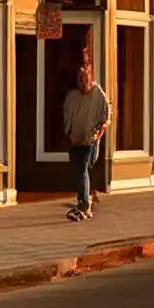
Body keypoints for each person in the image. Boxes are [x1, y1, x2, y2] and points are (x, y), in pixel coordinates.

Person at [63, 65, 112, 221]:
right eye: (80, 79)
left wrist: (99, 131)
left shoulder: (98, 94)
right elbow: (67, 116)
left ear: (90, 78)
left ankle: (84, 203)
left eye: (85, 78)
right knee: (80, 170)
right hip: (75, 139)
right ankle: (86, 198)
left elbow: (106, 115)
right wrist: (68, 132)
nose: (82, 82)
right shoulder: (72, 96)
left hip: (90, 139)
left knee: (84, 168)